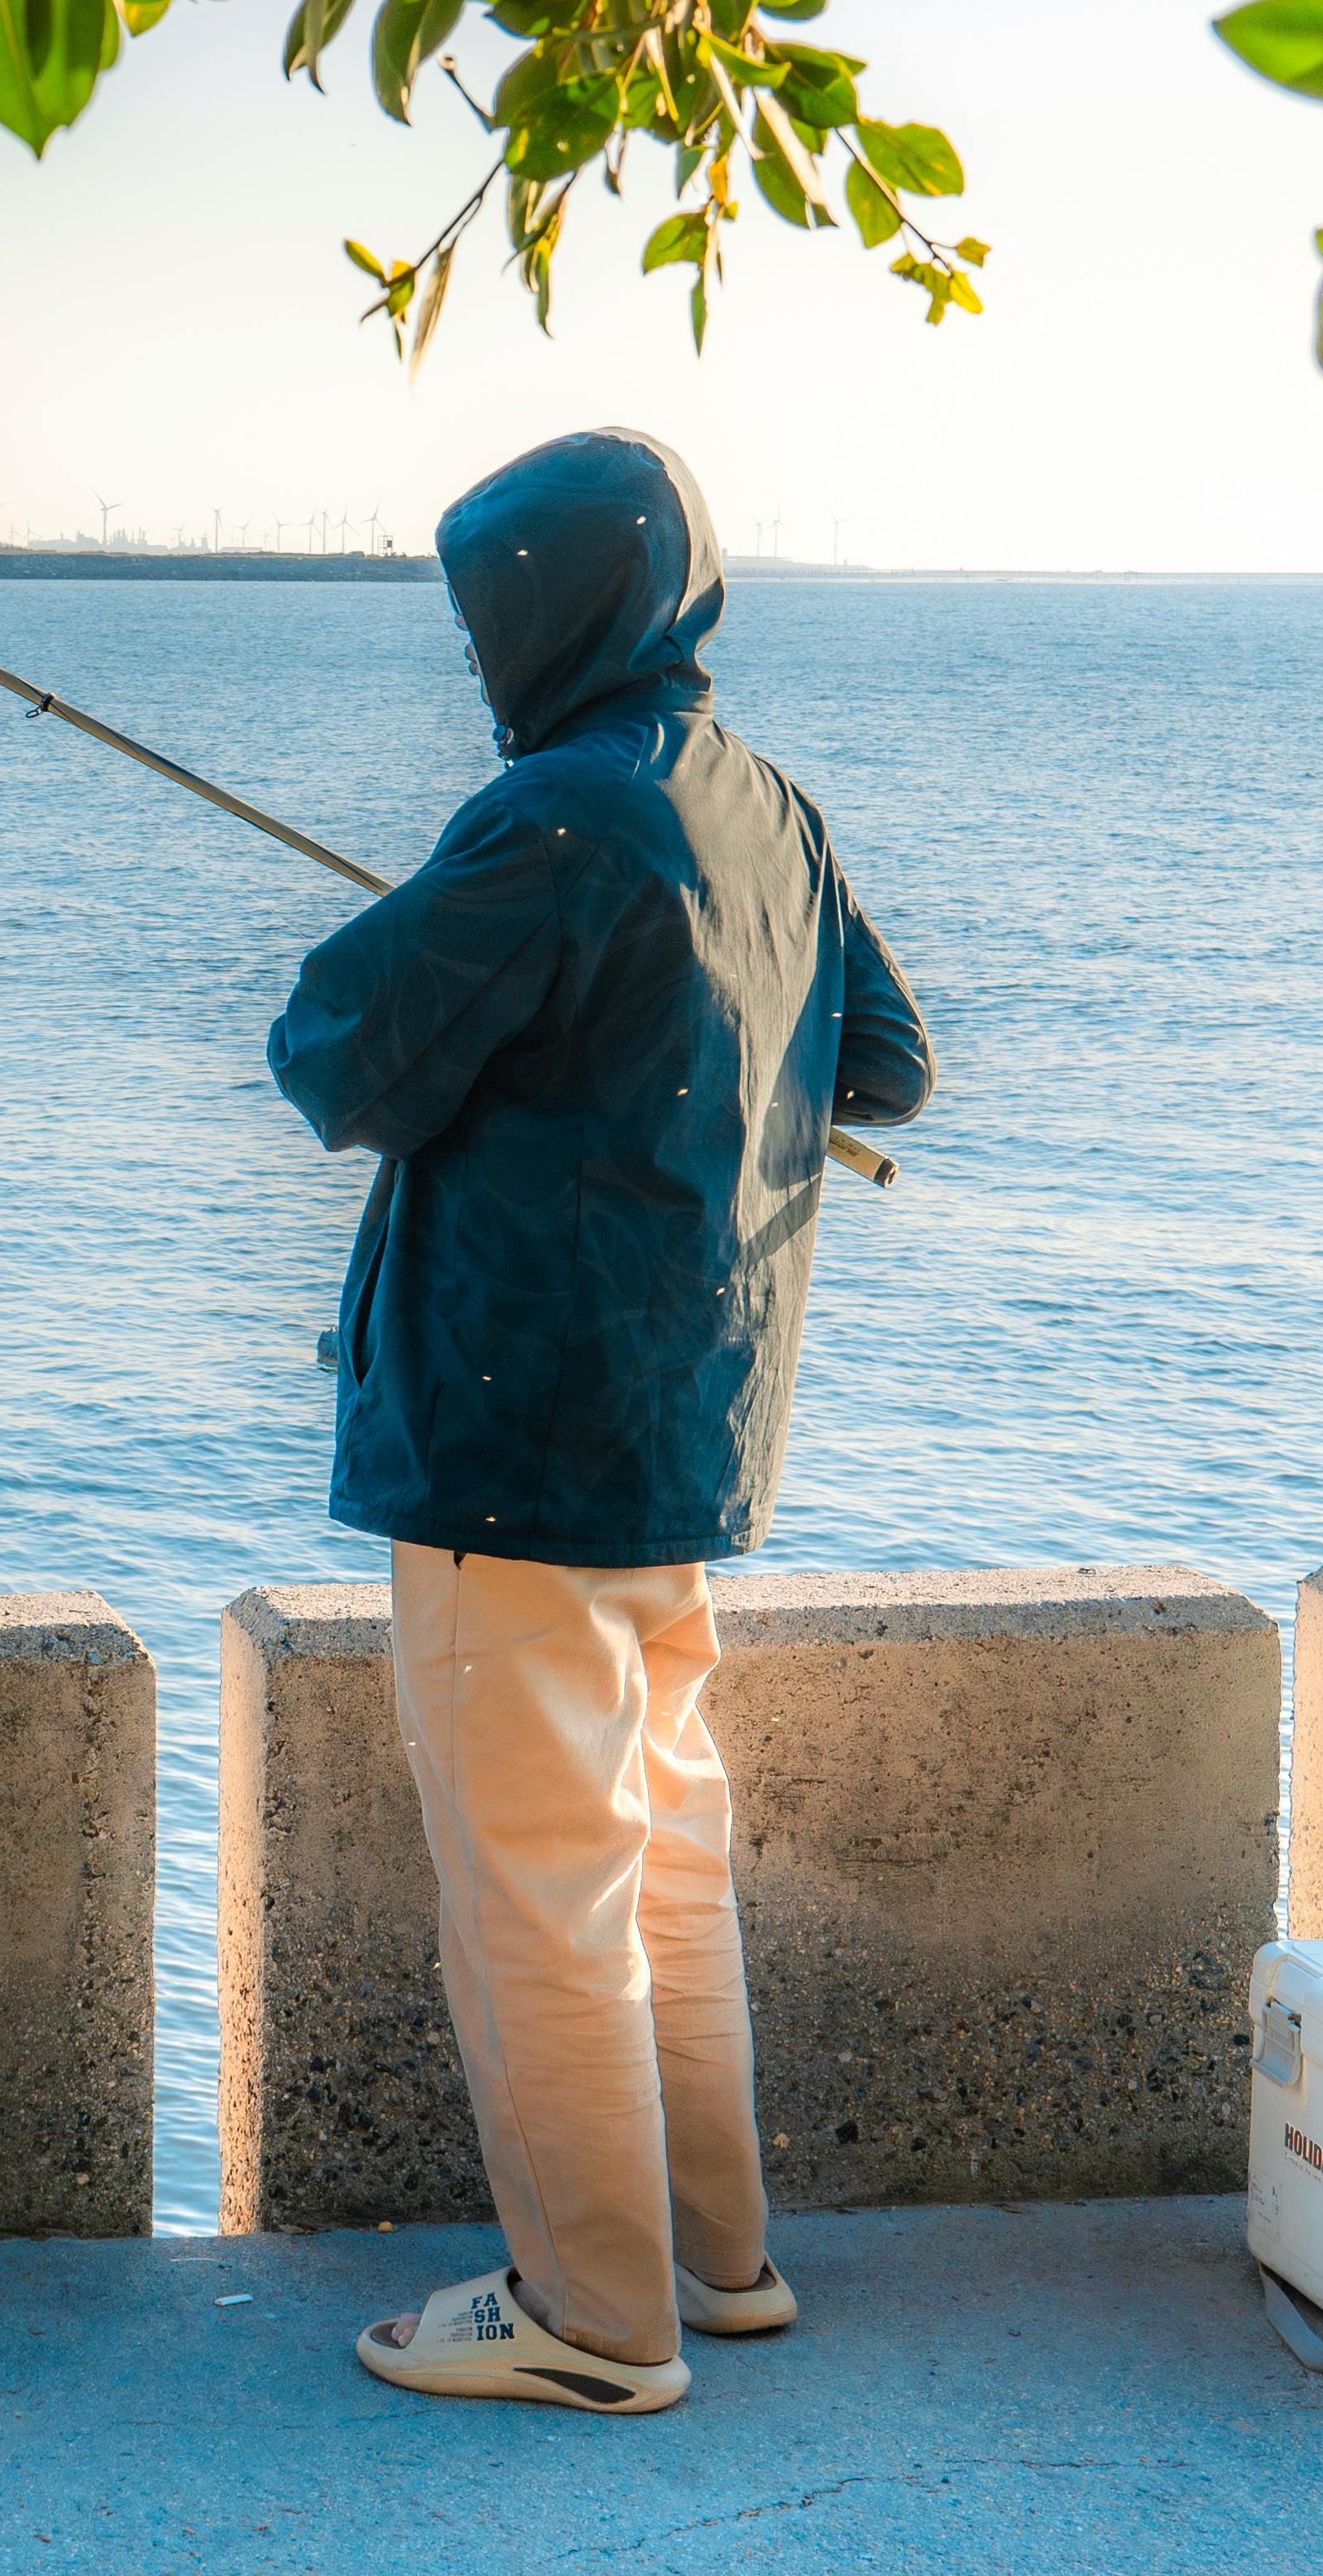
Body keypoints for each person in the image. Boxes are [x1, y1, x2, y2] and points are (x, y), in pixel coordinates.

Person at [268, 428, 932, 2416]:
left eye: (496, 611)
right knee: (658, 1862)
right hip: (688, 1444)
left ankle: (590, 2318)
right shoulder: (767, 809)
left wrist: (501, 948)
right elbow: (884, 1066)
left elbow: (334, 1055)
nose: (482, 653)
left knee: (541, 1897)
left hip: (511, 1452)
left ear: (562, 607)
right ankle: (715, 2263)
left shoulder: (548, 818)